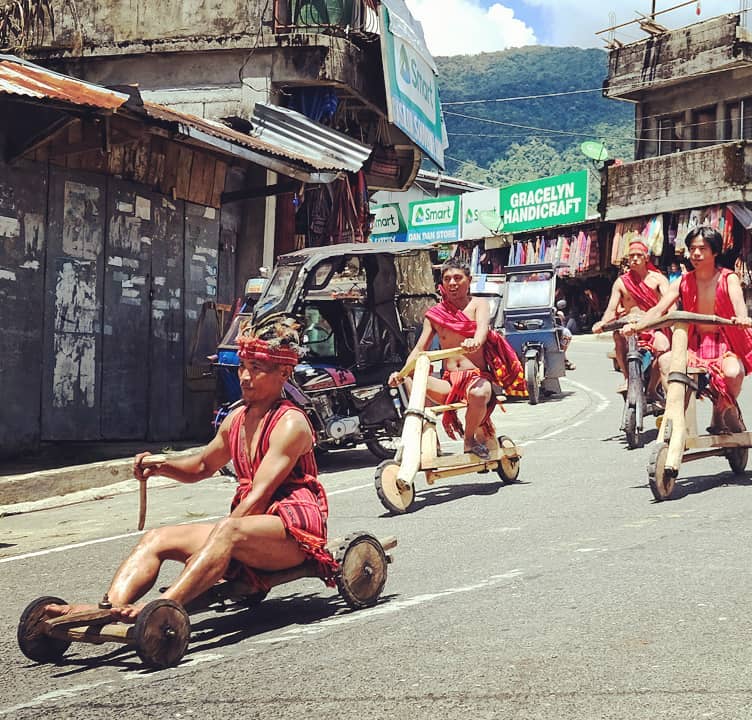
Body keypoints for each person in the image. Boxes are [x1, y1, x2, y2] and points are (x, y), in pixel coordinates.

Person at [45, 317, 338, 622]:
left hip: (292, 533)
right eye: (242, 367)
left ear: (284, 373)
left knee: (226, 530)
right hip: (246, 530)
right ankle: (107, 609)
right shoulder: (236, 419)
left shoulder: (290, 423)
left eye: (256, 368)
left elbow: (258, 498)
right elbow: (201, 465)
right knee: (157, 538)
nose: (245, 377)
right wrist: (160, 466)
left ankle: (158, 610)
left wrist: (214, 546)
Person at [623, 226, 752, 433]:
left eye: (702, 249)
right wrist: (638, 326)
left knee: (733, 373)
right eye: (692, 249)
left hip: (724, 343)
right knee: (665, 361)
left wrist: (742, 318)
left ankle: (720, 411)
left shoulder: (728, 277)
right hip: (692, 344)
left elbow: (738, 302)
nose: (695, 254)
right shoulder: (682, 281)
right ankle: (678, 414)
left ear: (715, 252)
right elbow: (659, 309)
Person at [389, 260, 526, 458]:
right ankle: (429, 437)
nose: (452, 283)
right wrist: (401, 374)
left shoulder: (479, 304)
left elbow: (481, 332)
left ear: (468, 281)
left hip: (476, 379)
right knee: (412, 379)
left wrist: (475, 342)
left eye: (457, 278)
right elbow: (419, 348)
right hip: (449, 383)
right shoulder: (435, 315)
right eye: (447, 279)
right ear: (442, 284)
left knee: (479, 393)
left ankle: (469, 440)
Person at [593, 240, 671, 392]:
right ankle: (628, 379)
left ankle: (652, 389)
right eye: (631, 256)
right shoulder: (621, 283)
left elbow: (670, 303)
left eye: (638, 255)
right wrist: (601, 323)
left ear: (646, 258)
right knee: (618, 336)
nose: (634, 258)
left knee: (663, 347)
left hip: (654, 326)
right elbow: (611, 310)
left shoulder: (659, 279)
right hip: (629, 327)